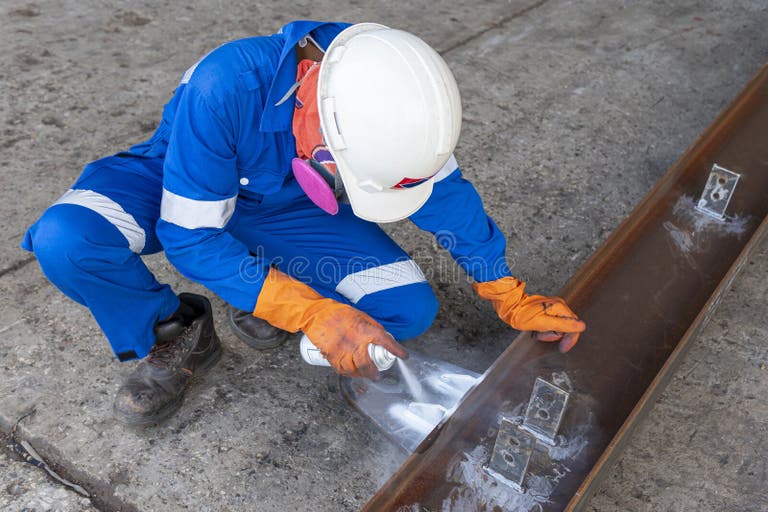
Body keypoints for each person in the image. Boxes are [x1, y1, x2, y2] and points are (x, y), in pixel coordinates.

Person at [21, 21, 586, 427]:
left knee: (407, 312)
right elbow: (190, 236)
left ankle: (259, 285)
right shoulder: (228, 85)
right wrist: (311, 311)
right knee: (68, 240)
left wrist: (505, 289)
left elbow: (445, 198)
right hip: (181, 180)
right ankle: (177, 331)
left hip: (287, 203)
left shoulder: (394, 97)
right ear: (312, 103)